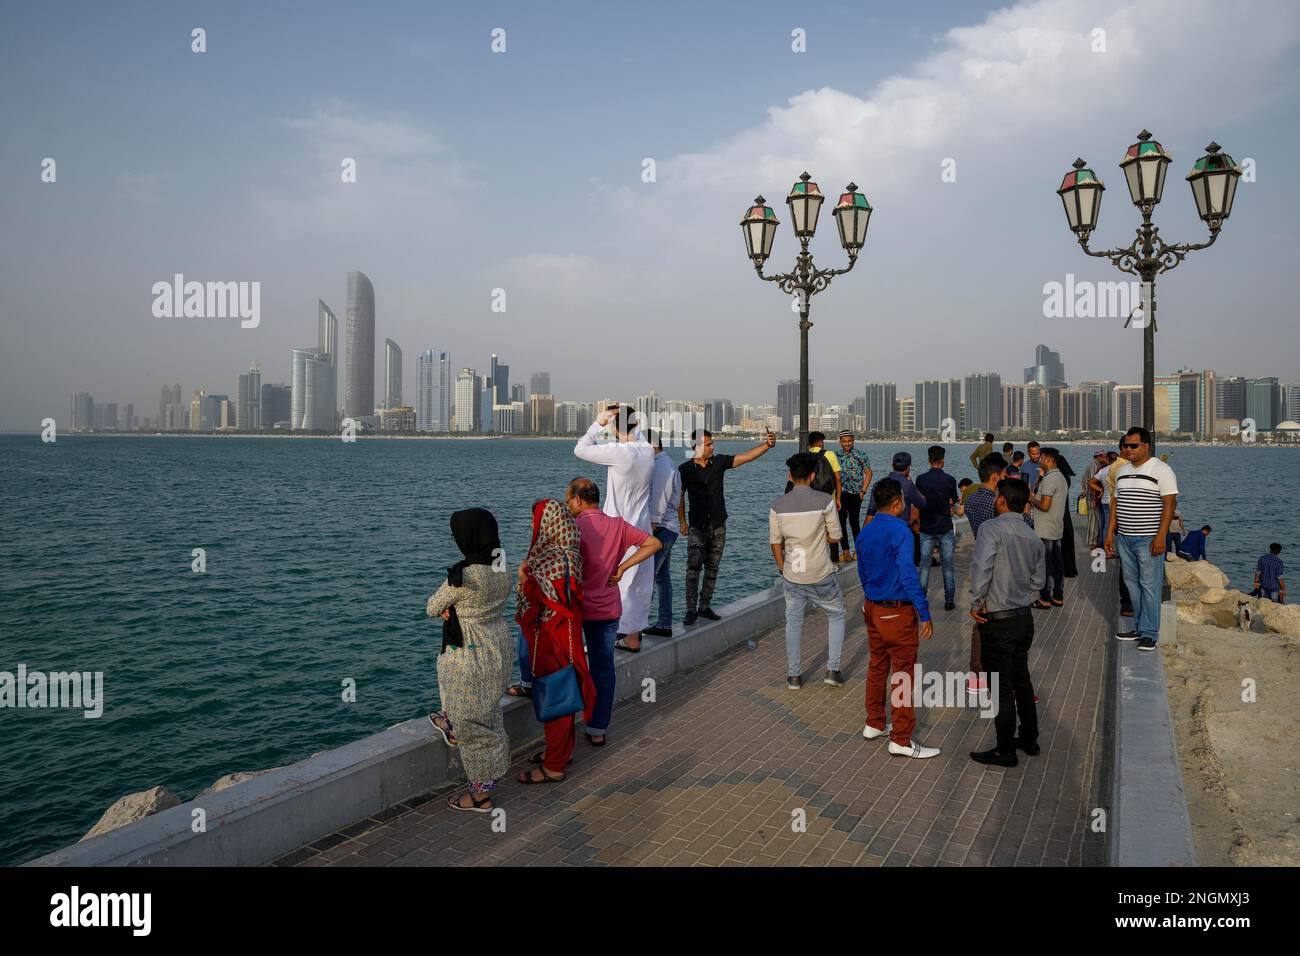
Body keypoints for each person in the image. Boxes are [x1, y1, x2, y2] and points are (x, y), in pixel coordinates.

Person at [425, 509, 515, 812]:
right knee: (487, 712)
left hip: (469, 653)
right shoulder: (503, 568)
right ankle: (452, 722)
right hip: (498, 646)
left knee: (471, 726)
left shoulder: (462, 577)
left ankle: (480, 796)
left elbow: (432, 606)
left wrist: (448, 610)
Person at [565, 478, 661, 744]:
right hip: (607, 608)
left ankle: (565, 728)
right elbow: (654, 543)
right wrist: (622, 567)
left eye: (568, 500)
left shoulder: (573, 526)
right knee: (603, 668)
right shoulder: (617, 526)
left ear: (577, 500)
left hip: (576, 606)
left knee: (570, 665)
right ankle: (597, 729)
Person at [856, 479, 939, 759]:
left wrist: (869, 601)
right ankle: (901, 739)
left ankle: (874, 723)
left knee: (877, 666)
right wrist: (924, 611)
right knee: (903, 674)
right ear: (897, 504)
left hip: (872, 608)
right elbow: (908, 574)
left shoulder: (865, 532)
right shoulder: (901, 531)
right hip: (897, 611)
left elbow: (863, 572)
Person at [515, 499, 596, 784]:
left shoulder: (552, 557)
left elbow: (543, 599)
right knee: (563, 690)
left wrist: (525, 578)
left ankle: (554, 766)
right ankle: (561, 751)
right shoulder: (571, 550)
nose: (533, 527)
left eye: (535, 522)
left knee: (556, 696)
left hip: (554, 634)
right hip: (568, 632)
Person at [968, 478, 1046, 767]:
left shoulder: (991, 528)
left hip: (997, 619)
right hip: (1024, 618)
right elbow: (1039, 581)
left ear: (1001, 500)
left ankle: (1005, 749)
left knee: (1000, 685)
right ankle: (1029, 738)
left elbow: (982, 567)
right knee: (1021, 678)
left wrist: (976, 602)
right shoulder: (1032, 535)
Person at [574, 405, 656, 650]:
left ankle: (605, 638)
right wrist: (622, 418)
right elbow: (635, 434)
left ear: (614, 429)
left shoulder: (619, 452)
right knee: (638, 584)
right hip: (641, 527)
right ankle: (632, 637)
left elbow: (580, 449)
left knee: (610, 583)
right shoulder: (648, 451)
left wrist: (599, 423)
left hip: (615, 528)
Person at [678, 426, 777, 625]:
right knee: (693, 568)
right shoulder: (685, 470)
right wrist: (682, 521)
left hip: (718, 523)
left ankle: (704, 607)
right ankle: (690, 610)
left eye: (712, 443)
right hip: (697, 525)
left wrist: (767, 445)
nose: (712, 447)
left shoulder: (720, 462)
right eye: (708, 444)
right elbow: (679, 496)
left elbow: (746, 457)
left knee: (713, 568)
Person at [769, 452, 846, 688]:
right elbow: (836, 537)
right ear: (813, 476)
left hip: (793, 574)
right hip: (820, 571)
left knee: (793, 622)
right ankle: (832, 671)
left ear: (790, 476)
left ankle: (794, 677)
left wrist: (783, 567)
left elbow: (775, 542)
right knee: (837, 614)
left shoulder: (777, 506)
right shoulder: (825, 501)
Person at [1105, 427, 1179, 651]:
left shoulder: (1161, 469)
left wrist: (1161, 536)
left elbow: (1169, 504)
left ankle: (1149, 633)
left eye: (1133, 445)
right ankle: (1139, 626)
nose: (1128, 449)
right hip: (1124, 537)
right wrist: (1110, 532)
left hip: (1148, 538)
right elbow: (1116, 503)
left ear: (1146, 446)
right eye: (1126, 445)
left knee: (1149, 585)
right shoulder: (1122, 471)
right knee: (1131, 584)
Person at [963, 452, 1007, 699]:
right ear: (994, 476)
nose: (1004, 478)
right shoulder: (995, 503)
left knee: (981, 621)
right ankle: (992, 678)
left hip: (980, 561)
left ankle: (977, 676)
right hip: (998, 565)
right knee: (998, 622)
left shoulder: (971, 500)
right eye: (1002, 475)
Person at [639, 430, 683, 641]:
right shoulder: (667, 463)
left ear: (651, 446)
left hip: (662, 529)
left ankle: (634, 628)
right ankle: (664, 623)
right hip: (668, 527)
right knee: (662, 577)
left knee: (647, 577)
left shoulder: (660, 467)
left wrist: (651, 529)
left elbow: (659, 501)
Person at [915, 445, 963, 611]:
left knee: (924, 564)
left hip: (926, 526)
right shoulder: (950, 480)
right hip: (944, 526)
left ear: (929, 460)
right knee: (948, 565)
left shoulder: (921, 479)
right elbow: (954, 501)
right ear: (943, 461)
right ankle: (949, 600)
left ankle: (921, 598)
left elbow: (919, 500)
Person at [865, 451, 929, 566]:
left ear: (892, 465)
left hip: (881, 532)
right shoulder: (908, 485)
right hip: (902, 532)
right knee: (904, 566)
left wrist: (864, 535)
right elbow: (923, 504)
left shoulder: (878, 484)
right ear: (909, 468)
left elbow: (870, 512)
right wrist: (912, 485)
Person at [1089, 449, 1133, 617]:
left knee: (1106, 525)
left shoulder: (1104, 470)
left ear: (1108, 459)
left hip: (1106, 501)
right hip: (1116, 502)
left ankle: (1106, 549)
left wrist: (1100, 491)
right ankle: (1107, 550)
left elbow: (1091, 482)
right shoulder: (1121, 469)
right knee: (1112, 526)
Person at [1029, 448, 1068, 608]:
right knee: (1057, 563)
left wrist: (1031, 498)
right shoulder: (1059, 477)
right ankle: (1058, 595)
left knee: (1045, 564)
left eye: (1042, 457)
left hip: (1045, 528)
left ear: (1048, 459)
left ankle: (1045, 598)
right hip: (1056, 526)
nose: (1039, 459)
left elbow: (1044, 505)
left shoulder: (1050, 479)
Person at [835, 430, 872, 563]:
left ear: (853, 440)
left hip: (856, 494)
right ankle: (845, 552)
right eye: (844, 441)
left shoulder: (861, 455)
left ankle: (857, 551)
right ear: (840, 442)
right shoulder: (836, 456)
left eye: (849, 441)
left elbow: (869, 473)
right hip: (841, 494)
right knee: (841, 522)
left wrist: (863, 491)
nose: (847, 444)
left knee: (854, 522)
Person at [1083, 449, 1108, 548]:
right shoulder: (1094, 466)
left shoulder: (1092, 465)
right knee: (1094, 520)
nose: (1106, 459)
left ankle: (1095, 540)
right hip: (1093, 497)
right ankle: (1092, 541)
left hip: (1092, 496)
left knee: (1096, 519)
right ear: (1099, 456)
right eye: (1104, 456)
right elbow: (1091, 483)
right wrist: (1094, 498)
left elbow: (1084, 481)